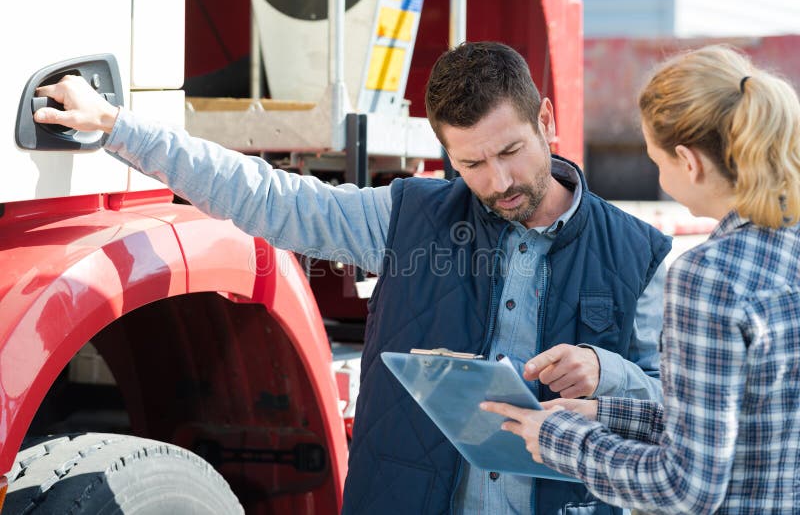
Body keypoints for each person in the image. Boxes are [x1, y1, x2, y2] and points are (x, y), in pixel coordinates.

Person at [34, 41, 670, 514]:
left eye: (511, 152)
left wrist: (604, 369)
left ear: (548, 123)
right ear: (446, 153)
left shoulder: (640, 255)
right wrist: (118, 127)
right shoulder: (404, 218)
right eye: (471, 163)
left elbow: (676, 416)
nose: (498, 182)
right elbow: (266, 196)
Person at [483, 44, 800, 513]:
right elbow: (738, 424)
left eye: (656, 159)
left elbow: (685, 488)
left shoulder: (709, 277)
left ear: (688, 162)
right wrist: (608, 413)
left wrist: (559, 439)